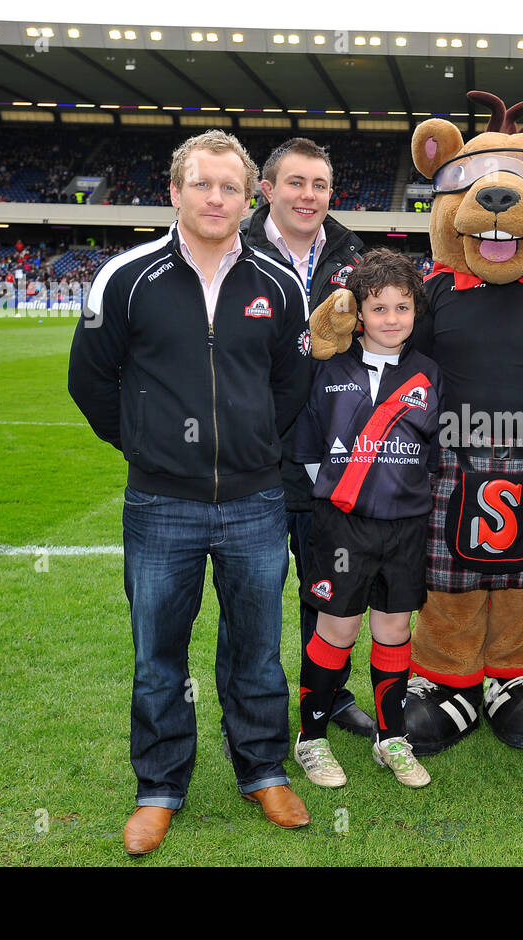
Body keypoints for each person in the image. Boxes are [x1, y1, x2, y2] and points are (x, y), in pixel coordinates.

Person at [68, 129, 313, 856]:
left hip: (255, 502)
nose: (215, 198)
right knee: (157, 657)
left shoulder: (278, 282)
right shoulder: (128, 275)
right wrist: (147, 449)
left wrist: (252, 449)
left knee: (258, 653)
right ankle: (159, 787)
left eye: (229, 187)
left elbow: (290, 387)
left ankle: (263, 769)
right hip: (160, 505)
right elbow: (92, 382)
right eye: (201, 184)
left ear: (249, 198)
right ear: (174, 191)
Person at [214, 138, 372, 757]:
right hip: (253, 457)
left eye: (321, 186)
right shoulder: (232, 249)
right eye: (296, 183)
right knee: (250, 601)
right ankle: (248, 721)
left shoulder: (355, 255)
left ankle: (326, 699)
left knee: (329, 590)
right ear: (268, 190)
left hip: (333, 458)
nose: (309, 196)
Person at [291, 250, 443, 789]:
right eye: (379, 308)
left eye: (402, 307)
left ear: (415, 312)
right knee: (337, 627)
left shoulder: (429, 375)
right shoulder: (329, 370)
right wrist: (335, 493)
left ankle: (391, 738)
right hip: (343, 526)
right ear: (358, 314)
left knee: (395, 627)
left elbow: (437, 451)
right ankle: (311, 739)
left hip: (405, 525)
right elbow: (307, 442)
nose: (391, 318)